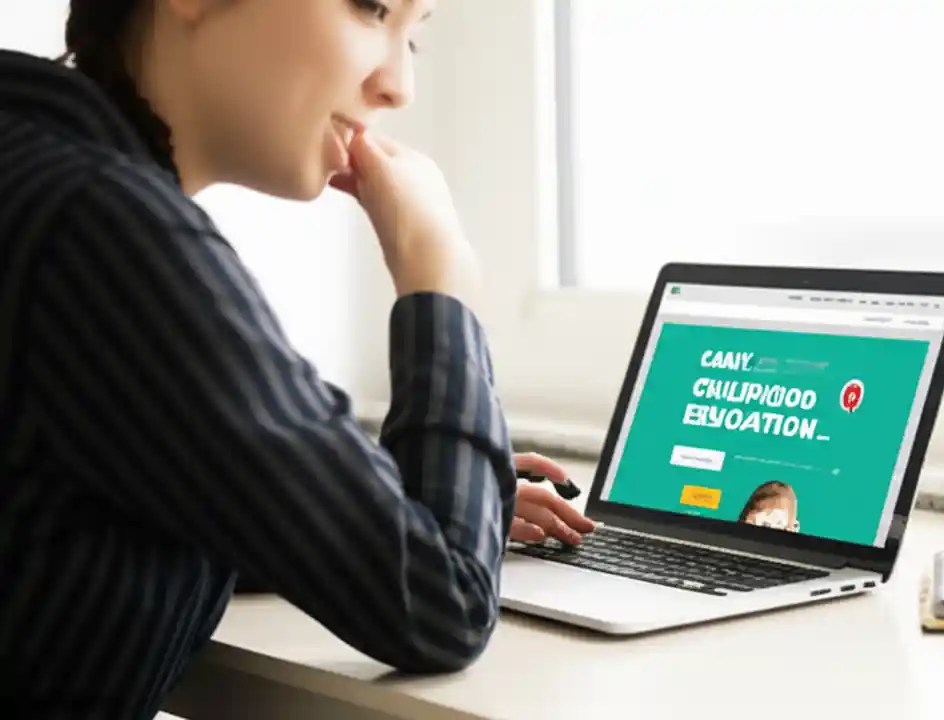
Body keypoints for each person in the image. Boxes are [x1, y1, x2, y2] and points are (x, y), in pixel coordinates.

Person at [0, 1, 594, 717]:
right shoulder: (103, 227)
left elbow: (159, 489)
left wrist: (388, 496)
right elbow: (442, 605)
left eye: (416, 38)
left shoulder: (32, 155)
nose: (398, 84)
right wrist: (439, 279)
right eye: (371, 9)